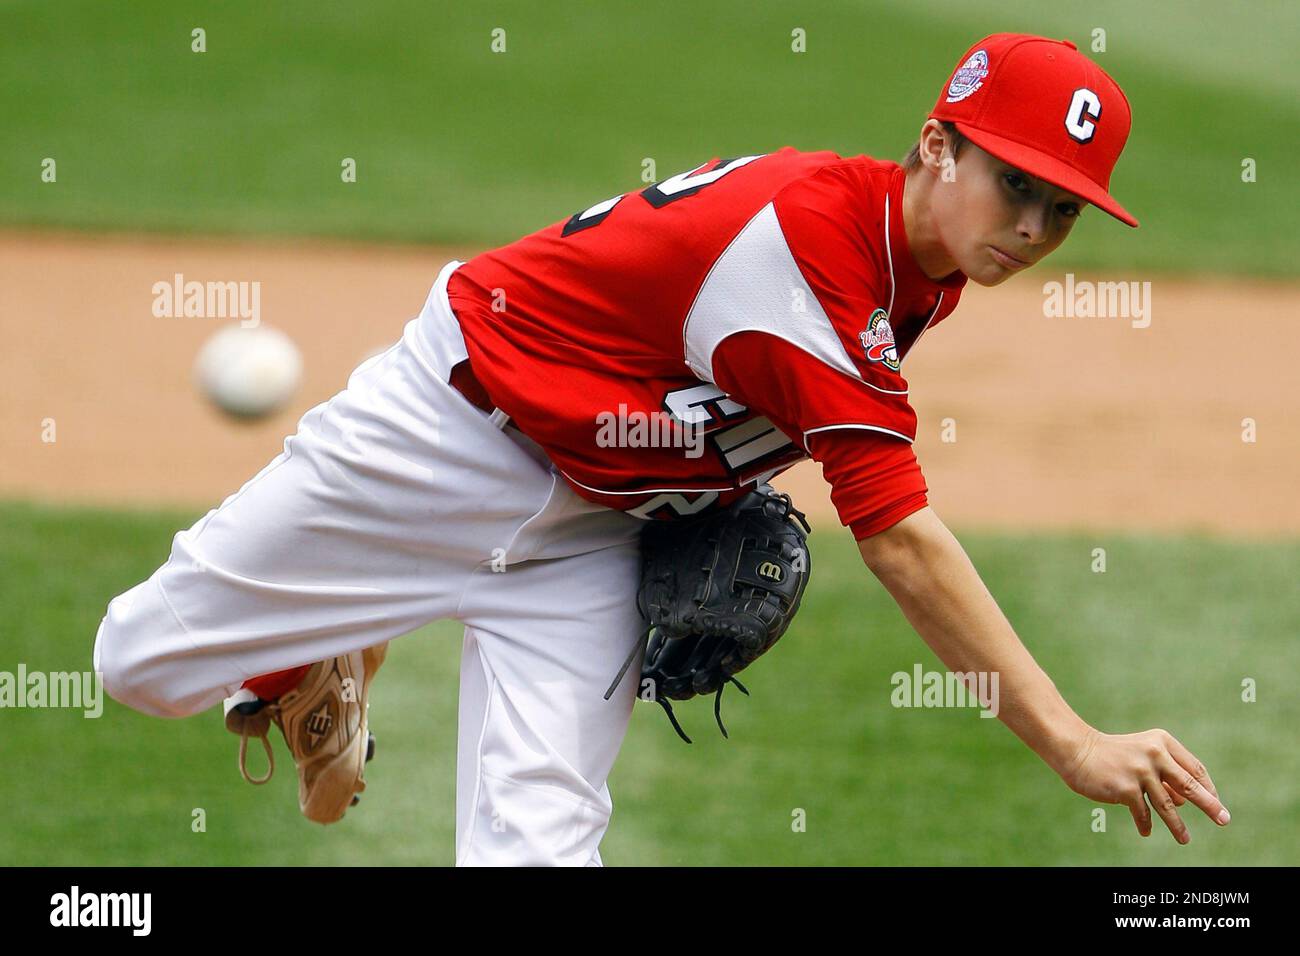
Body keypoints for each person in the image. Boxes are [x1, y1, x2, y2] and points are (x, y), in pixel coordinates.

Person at [92, 32, 1229, 865]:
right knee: (135, 663)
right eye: (1014, 185)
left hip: (590, 533)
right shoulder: (809, 251)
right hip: (441, 438)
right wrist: (1071, 740)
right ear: (937, 144)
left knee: (538, 852)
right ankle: (311, 664)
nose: (1031, 228)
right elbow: (898, 538)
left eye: (1062, 208)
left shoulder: (922, 263)